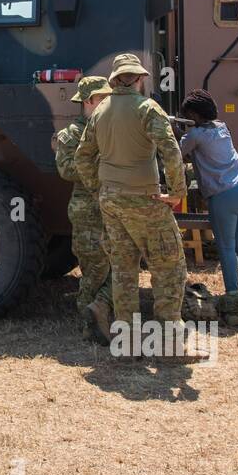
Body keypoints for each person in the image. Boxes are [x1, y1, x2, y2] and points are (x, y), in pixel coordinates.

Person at [73, 53, 188, 347]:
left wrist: (100, 187)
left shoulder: (100, 112)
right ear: (139, 79)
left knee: (124, 272)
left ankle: (127, 343)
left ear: (113, 80)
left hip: (111, 200)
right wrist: (177, 192)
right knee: (169, 267)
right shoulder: (147, 108)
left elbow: (82, 156)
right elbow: (171, 151)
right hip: (145, 198)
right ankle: (169, 345)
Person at [178, 90, 238, 315]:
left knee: (226, 247)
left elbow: (177, 152)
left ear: (193, 114)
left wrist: (177, 132)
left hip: (224, 195)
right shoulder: (222, 127)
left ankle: (233, 296)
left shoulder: (195, 136)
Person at [55, 75, 112, 334]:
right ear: (89, 101)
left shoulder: (111, 129)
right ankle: (90, 320)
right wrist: (102, 165)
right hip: (87, 211)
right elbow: (66, 170)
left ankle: (103, 314)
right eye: (103, 98)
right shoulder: (72, 134)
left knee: (117, 266)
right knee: (93, 269)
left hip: (113, 207)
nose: (108, 103)